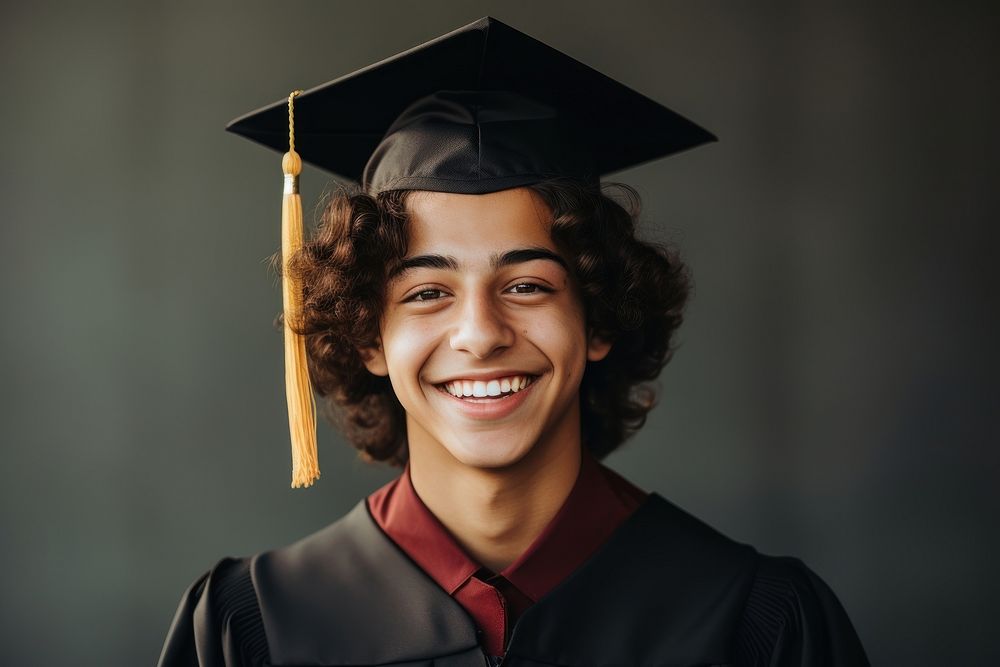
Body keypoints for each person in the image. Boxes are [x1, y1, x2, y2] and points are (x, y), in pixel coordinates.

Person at [158, 17, 870, 667]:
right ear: (368, 337)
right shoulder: (252, 630)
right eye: (427, 292)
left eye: (527, 285)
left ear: (599, 320)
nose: (480, 334)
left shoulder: (755, 626)